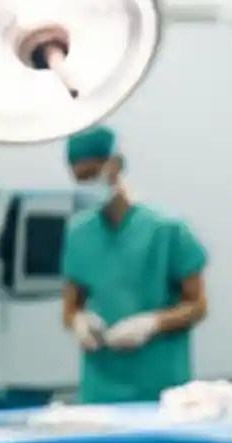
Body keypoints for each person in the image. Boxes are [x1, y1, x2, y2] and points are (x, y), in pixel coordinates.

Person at [61, 126, 210, 404]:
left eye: (92, 175)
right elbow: (70, 308)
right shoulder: (79, 234)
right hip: (99, 392)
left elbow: (198, 306)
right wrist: (80, 323)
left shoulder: (168, 230)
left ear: (115, 166)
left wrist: (152, 323)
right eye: (79, 179)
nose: (87, 186)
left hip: (160, 389)